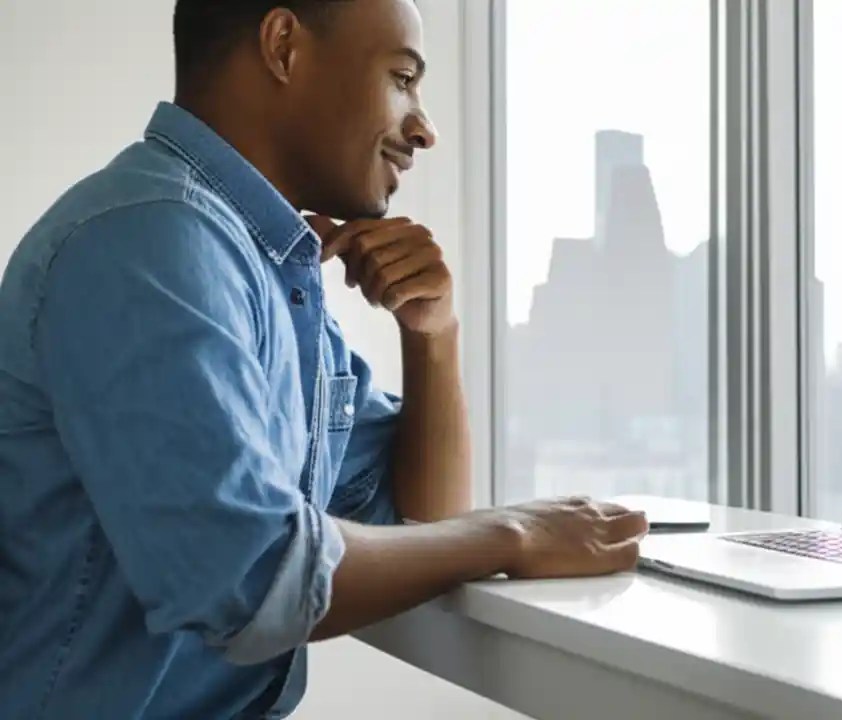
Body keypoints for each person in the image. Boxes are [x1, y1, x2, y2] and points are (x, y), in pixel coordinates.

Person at [0, 0, 649, 717]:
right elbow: (253, 578)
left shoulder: (252, 263)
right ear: (282, 47)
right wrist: (516, 532)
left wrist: (432, 336)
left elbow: (420, 521)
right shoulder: (148, 246)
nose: (424, 128)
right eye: (402, 77)